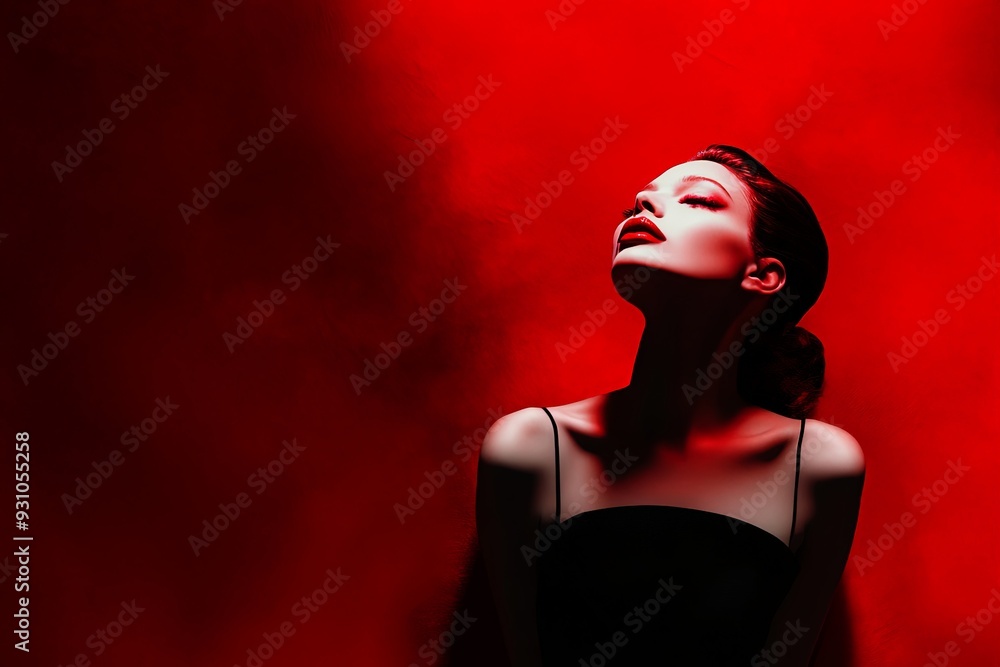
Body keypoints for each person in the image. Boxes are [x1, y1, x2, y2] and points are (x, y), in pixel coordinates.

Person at [475, 145, 866, 666]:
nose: (643, 204)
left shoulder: (816, 464)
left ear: (764, 274)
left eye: (699, 200)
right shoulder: (528, 446)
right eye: (638, 201)